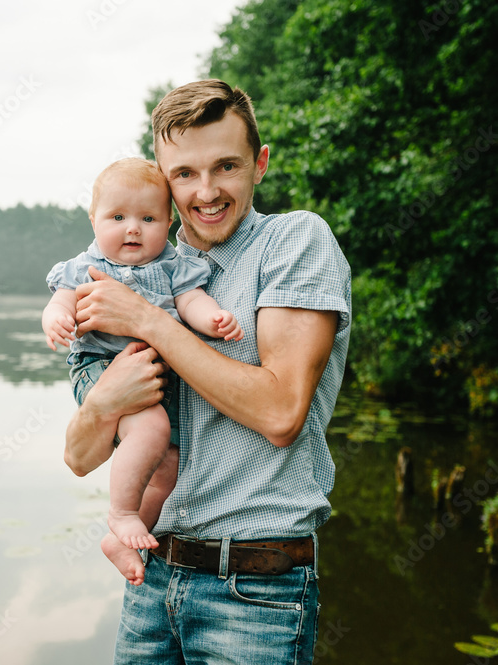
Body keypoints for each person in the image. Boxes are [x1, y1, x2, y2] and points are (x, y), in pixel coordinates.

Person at [63, 80, 352, 664]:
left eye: (227, 166)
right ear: (163, 182)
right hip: (150, 582)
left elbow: (280, 413)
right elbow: (80, 458)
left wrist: (148, 321)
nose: (208, 191)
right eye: (185, 174)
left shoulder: (293, 241)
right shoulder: (135, 265)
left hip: (254, 592)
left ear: (259, 164)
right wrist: (103, 403)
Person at [43, 157, 242, 585]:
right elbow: (62, 300)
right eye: (118, 217)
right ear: (93, 219)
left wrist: (214, 319)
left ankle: (126, 537)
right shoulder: (83, 267)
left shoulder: (174, 266)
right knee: (151, 431)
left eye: (148, 218)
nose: (133, 228)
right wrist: (56, 318)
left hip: (154, 375)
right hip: (100, 364)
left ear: (168, 222)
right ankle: (121, 513)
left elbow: (191, 302)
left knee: (166, 463)